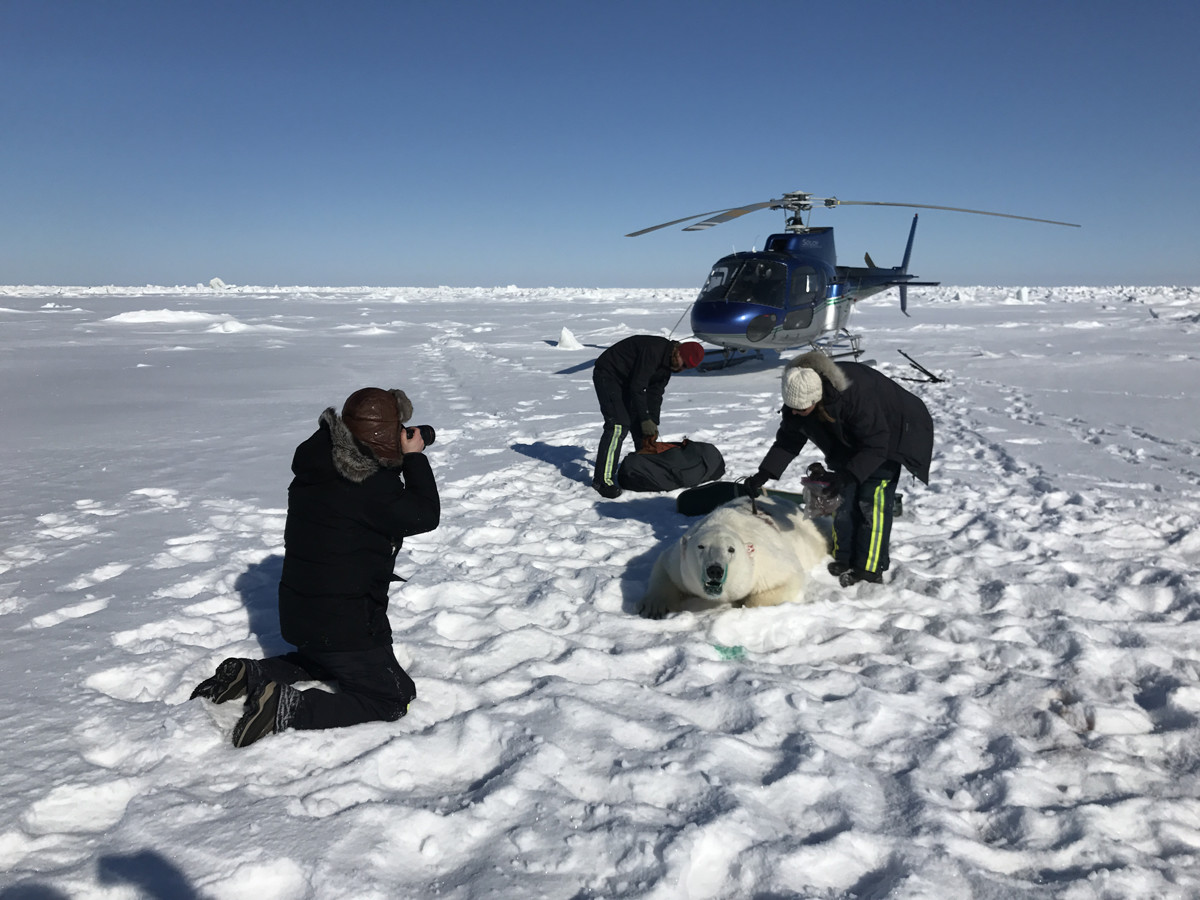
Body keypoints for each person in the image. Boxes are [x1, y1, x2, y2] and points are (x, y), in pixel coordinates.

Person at [191, 387, 440, 747]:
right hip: (346, 624)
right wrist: (414, 458)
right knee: (393, 696)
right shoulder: (370, 487)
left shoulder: (319, 465)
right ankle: (287, 708)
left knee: (325, 662)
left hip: (302, 617)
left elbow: (363, 495)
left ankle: (251, 675)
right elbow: (423, 515)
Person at [743, 351, 933, 587]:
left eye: (801, 409)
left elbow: (876, 443)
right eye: (791, 408)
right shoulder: (798, 397)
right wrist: (764, 473)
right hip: (854, 436)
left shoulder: (856, 397)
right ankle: (844, 557)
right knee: (842, 499)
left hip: (894, 433)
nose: (794, 412)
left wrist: (848, 474)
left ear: (816, 400)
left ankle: (869, 568)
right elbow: (789, 439)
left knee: (871, 502)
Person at [591, 336, 706, 498]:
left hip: (629, 379)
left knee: (641, 425)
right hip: (609, 373)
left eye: (686, 368)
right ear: (679, 353)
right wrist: (646, 419)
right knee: (618, 425)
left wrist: (652, 422)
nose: (682, 369)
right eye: (684, 364)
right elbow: (637, 386)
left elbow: (655, 394)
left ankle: (644, 467)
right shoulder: (654, 351)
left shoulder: (668, 365)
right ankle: (602, 480)